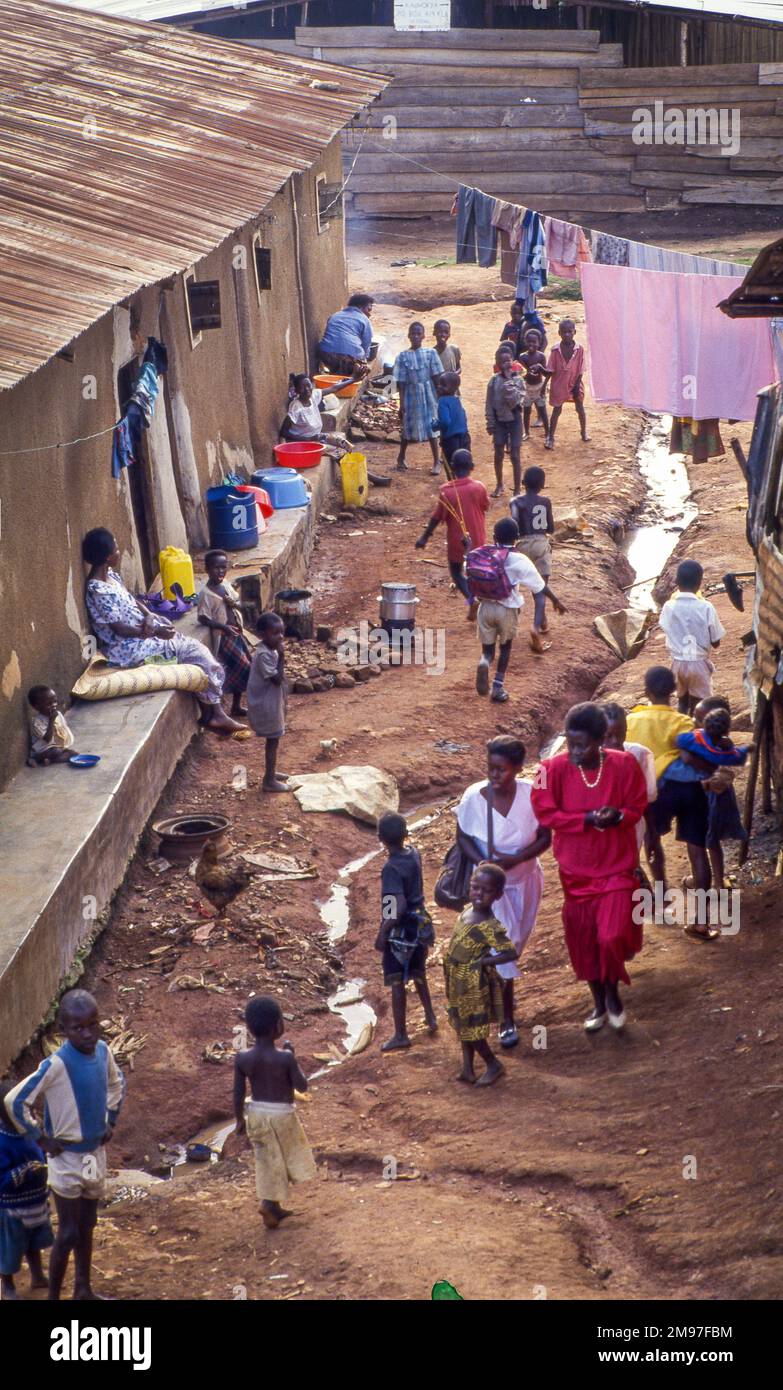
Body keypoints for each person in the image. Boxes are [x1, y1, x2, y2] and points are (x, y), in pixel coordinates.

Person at [531, 703, 649, 1031]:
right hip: (576, 871)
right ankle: (599, 1002)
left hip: (616, 866)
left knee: (611, 936)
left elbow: (637, 805)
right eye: (570, 743)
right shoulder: (548, 769)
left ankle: (612, 991)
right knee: (585, 942)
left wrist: (619, 816)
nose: (574, 751)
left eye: (582, 745)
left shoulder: (625, 764)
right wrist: (584, 819)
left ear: (601, 741)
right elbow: (544, 813)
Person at [5, 989, 125, 1301]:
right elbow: (16, 1100)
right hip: (66, 1157)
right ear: (64, 1030)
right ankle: (54, 1296)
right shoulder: (56, 1064)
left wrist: (109, 1120)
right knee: (69, 1231)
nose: (87, 1033)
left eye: (93, 1025)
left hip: (93, 1153)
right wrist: (40, 1137)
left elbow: (116, 1083)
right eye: (78, 1028)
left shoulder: (103, 1052)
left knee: (87, 1226)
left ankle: (83, 1288)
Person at [83, 528, 244, 735]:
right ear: (107, 557)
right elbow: (119, 629)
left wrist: (149, 615)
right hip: (129, 647)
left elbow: (133, 600)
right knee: (198, 654)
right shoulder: (99, 590)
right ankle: (216, 715)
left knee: (195, 652)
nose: (119, 551)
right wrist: (153, 632)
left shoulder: (111, 577)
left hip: (146, 633)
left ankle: (210, 714)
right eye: (115, 547)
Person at [456, 737, 551, 1049]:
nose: (494, 776)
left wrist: (518, 859)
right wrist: (479, 861)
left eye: (502, 770)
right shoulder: (474, 797)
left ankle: (500, 994)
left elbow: (545, 837)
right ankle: (506, 1019)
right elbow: (462, 837)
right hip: (491, 891)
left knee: (515, 944)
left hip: (525, 883)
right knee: (502, 949)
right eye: (490, 769)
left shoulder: (531, 795)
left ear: (518, 769)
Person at [233, 996, 316, 1230]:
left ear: (248, 1028)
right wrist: (293, 1056)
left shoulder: (242, 1058)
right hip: (283, 1116)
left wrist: (240, 1119)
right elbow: (302, 1086)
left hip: (256, 1114)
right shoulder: (284, 1058)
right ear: (278, 1026)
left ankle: (272, 1205)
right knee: (282, 1160)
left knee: (267, 1161)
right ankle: (269, 1204)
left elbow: (238, 1093)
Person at [472, 517, 566, 701]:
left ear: (494, 536)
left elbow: (470, 568)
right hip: (507, 609)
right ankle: (498, 687)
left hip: (484, 609)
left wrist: (469, 547)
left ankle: (484, 663)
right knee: (505, 648)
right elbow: (539, 586)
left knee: (488, 651)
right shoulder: (519, 559)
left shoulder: (481, 553)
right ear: (517, 538)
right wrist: (555, 600)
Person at [443, 863, 518, 1086]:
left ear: (497, 895)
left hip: (472, 984)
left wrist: (484, 961)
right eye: (475, 887)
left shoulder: (489, 925)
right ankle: (467, 1068)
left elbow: (509, 952)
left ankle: (493, 1064)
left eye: (486, 891)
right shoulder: (467, 911)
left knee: (471, 1028)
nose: (479, 894)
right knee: (461, 1023)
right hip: (457, 979)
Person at [626, 665, 696, 892]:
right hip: (682, 790)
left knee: (652, 840)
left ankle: (661, 890)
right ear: (674, 690)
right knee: (694, 842)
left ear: (646, 692)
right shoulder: (684, 722)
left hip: (649, 791)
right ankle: (700, 888)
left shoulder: (631, 721)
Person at [374, 812, 437, 1052]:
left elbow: (395, 905)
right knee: (419, 973)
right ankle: (430, 1016)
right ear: (406, 834)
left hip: (402, 932)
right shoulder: (414, 854)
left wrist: (383, 931)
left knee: (397, 981)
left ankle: (401, 1034)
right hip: (420, 924)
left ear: (380, 838)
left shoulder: (390, 868)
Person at [677, 700, 751, 892]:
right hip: (717, 798)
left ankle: (701, 882)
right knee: (712, 841)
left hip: (708, 799)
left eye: (700, 719)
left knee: (698, 842)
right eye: (695, 716)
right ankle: (718, 881)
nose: (695, 721)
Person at [416, 448, 489, 620]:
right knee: (475, 571)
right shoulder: (479, 487)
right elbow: (486, 506)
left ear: (453, 468)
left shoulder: (446, 491)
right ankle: (483, 601)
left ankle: (472, 600)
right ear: (472, 467)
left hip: (457, 540)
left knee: (456, 572)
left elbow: (436, 518)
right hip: (477, 539)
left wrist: (425, 537)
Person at [0, 1081, 52, 1301]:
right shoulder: (3, 1142)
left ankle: (38, 1275)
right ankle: (8, 1285)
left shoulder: (31, 1132)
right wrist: (24, 1171)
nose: (27, 1114)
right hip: (13, 1207)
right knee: (10, 1248)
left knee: (34, 1242)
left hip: (37, 1201)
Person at [658, 560, 725, 714]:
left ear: (676, 582)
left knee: (682, 700)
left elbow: (666, 628)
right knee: (700, 705)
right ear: (699, 583)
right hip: (699, 664)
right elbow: (716, 641)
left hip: (677, 662)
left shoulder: (669, 606)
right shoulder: (706, 607)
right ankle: (697, 734)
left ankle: (682, 730)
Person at [601, 703, 657, 868]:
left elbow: (649, 798)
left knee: (629, 867)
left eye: (621, 734)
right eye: (608, 735)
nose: (616, 741)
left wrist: (652, 835)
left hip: (631, 828)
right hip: (599, 833)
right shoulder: (588, 761)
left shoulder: (640, 754)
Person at [197, 550, 251, 719]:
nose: (220, 571)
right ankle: (218, 710)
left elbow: (239, 605)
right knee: (244, 667)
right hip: (224, 637)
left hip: (236, 634)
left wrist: (233, 603)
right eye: (216, 568)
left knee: (239, 668)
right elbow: (203, 618)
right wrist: (223, 627)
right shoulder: (206, 594)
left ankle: (236, 705)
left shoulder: (226, 585)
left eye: (223, 567)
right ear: (207, 569)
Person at [393, 321, 443, 473]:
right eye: (412, 333)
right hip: (410, 395)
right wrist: (401, 404)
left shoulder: (431, 353)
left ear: (423, 336)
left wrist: (440, 398)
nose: (415, 336)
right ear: (408, 336)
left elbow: (437, 376)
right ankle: (401, 457)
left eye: (418, 333)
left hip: (428, 395)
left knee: (432, 426)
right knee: (408, 427)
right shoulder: (402, 357)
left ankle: (436, 462)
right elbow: (401, 382)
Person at [247, 612, 289, 793]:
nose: (280, 637)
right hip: (266, 704)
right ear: (263, 635)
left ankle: (271, 772)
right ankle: (269, 780)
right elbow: (277, 679)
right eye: (275, 633)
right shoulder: (264, 655)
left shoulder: (269, 650)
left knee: (275, 739)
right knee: (273, 739)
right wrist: (282, 657)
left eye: (281, 632)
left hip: (271, 701)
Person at [510, 466, 555, 630]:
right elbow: (550, 528)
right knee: (540, 586)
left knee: (514, 583)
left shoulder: (515, 502)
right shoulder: (546, 502)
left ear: (523, 483)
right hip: (541, 544)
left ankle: (513, 613)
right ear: (542, 485)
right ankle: (540, 623)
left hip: (522, 545)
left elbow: (514, 524)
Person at [278, 372, 358, 446]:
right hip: (303, 442)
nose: (307, 389)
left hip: (316, 437)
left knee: (344, 444)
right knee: (336, 451)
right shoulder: (296, 407)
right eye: (302, 387)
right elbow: (283, 432)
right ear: (296, 391)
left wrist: (353, 379)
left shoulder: (313, 396)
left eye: (308, 385)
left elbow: (334, 388)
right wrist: (307, 439)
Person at [486, 350, 525, 497]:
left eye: (509, 360)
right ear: (498, 364)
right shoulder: (494, 381)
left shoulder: (519, 381)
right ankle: (499, 484)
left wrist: (510, 385)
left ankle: (517, 489)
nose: (506, 363)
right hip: (499, 421)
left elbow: (516, 402)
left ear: (513, 361)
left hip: (514, 421)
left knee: (515, 455)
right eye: (503, 361)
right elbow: (489, 403)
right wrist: (490, 422)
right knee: (498, 453)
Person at [546, 318, 589, 448]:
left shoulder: (579, 349)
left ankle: (583, 432)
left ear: (574, 332)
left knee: (580, 408)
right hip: (559, 384)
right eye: (564, 332)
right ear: (559, 333)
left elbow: (581, 369)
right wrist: (543, 385)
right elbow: (550, 370)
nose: (567, 335)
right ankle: (550, 437)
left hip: (575, 383)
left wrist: (576, 386)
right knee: (556, 410)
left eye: (569, 332)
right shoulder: (555, 350)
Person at [318, 292, 374, 377]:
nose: (370, 314)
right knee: (364, 369)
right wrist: (365, 360)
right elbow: (366, 343)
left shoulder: (335, 315)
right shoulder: (364, 320)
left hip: (326, 355)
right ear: (361, 307)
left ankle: (331, 373)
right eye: (368, 310)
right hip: (349, 359)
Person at [27, 686, 78, 766]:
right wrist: (51, 720)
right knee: (56, 751)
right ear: (37, 707)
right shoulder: (37, 722)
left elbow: (63, 728)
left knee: (73, 753)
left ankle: (50, 761)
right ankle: (35, 758)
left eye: (55, 702)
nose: (54, 705)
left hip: (56, 746)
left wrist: (64, 742)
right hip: (42, 749)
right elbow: (47, 739)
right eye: (48, 704)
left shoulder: (58, 714)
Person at [518, 329, 552, 441]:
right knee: (526, 411)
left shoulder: (541, 357)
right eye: (529, 341)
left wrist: (543, 388)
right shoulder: (522, 357)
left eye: (534, 342)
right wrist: (527, 372)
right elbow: (522, 375)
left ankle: (548, 433)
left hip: (539, 387)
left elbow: (547, 374)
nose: (531, 344)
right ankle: (527, 432)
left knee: (542, 411)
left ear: (539, 342)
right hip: (527, 387)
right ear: (525, 342)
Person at [435, 371, 470, 472]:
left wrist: (435, 425)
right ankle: (464, 486)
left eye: (443, 385)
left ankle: (454, 487)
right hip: (464, 438)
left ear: (452, 388)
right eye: (440, 383)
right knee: (463, 466)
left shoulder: (442, 401)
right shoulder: (457, 400)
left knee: (451, 467)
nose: (439, 386)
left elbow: (445, 422)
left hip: (450, 440)